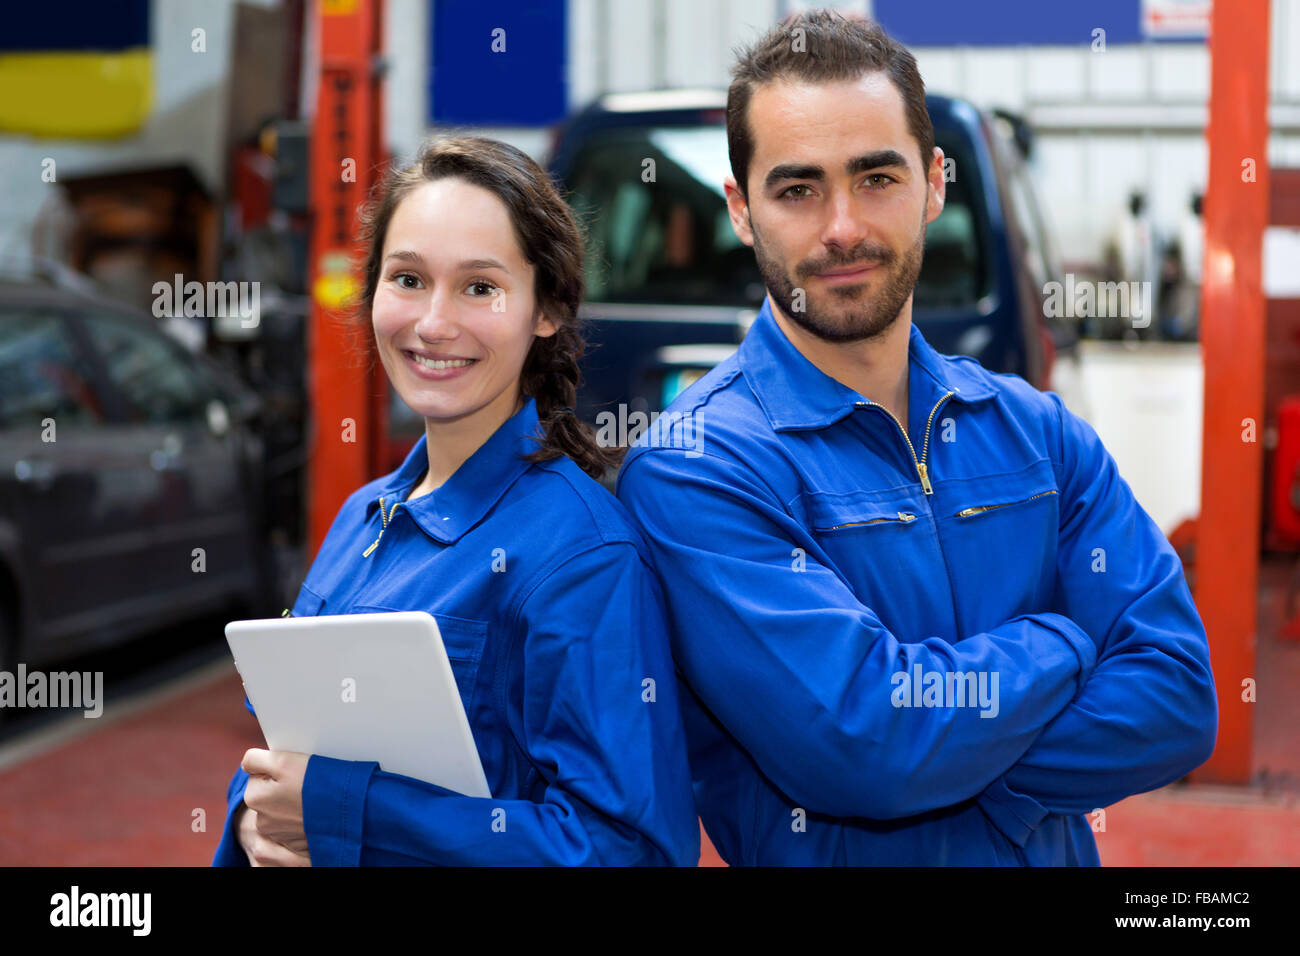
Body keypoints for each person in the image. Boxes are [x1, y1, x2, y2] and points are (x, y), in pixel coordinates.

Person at [615, 11, 1217, 866]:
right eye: (797, 190)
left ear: (935, 184)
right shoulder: (696, 468)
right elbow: (863, 745)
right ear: (740, 210)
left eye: (876, 178)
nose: (842, 228)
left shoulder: (1038, 433)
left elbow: (1180, 696)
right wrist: (1066, 643)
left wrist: (960, 767)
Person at [212, 135, 699, 866]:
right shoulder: (361, 519)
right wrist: (253, 822)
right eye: (407, 279)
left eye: (479, 288)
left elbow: (630, 849)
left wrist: (348, 813)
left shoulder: (582, 558)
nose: (434, 323)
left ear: (548, 308)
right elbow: (291, 759)